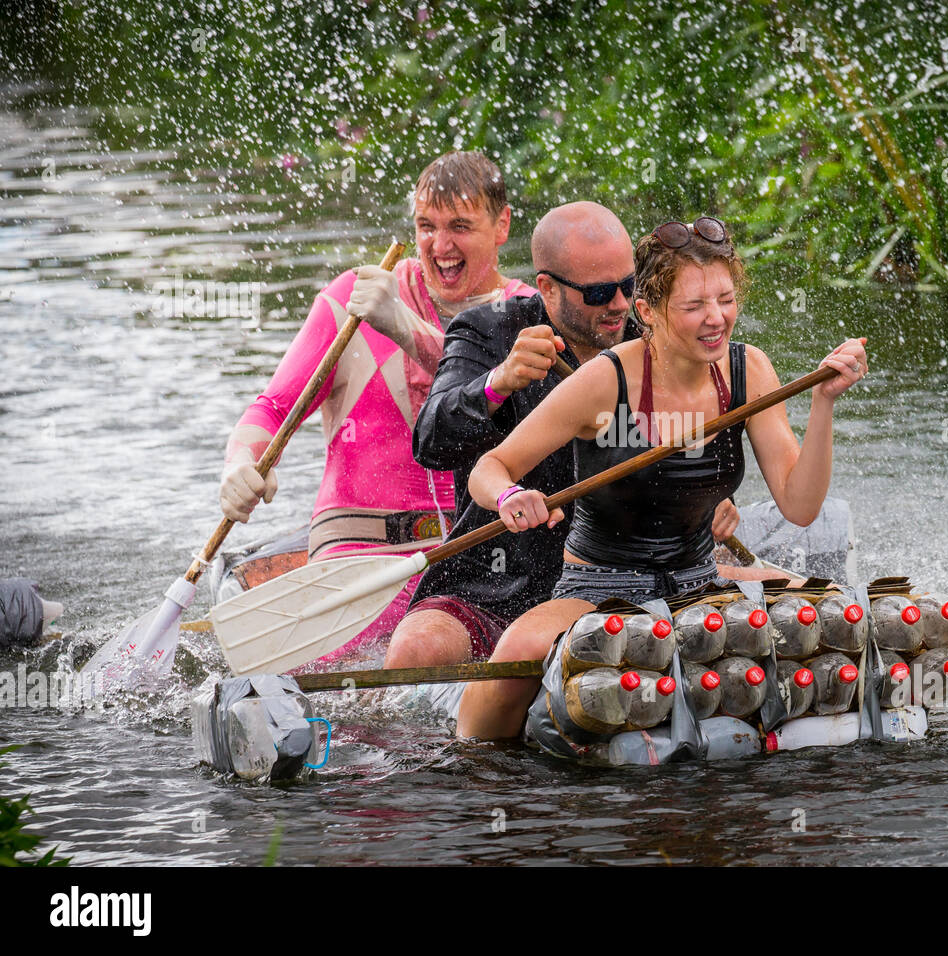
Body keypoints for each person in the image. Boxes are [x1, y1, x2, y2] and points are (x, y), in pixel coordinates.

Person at [457, 216, 868, 739]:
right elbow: (488, 470)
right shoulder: (607, 379)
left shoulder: (749, 371)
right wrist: (513, 496)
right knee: (514, 654)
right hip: (599, 586)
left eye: (725, 299)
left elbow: (800, 506)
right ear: (648, 312)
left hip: (700, 580)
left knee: (839, 614)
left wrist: (823, 403)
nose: (716, 319)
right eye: (695, 306)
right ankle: (468, 765)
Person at [383, 202, 742, 669]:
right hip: (495, 581)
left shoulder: (657, 331)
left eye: (628, 286)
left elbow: (701, 427)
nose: (619, 304)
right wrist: (500, 382)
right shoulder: (487, 330)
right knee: (415, 651)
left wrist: (707, 496)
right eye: (597, 293)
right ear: (547, 289)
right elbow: (431, 441)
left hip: (622, 577)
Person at [217, 151, 536, 662]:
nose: (441, 245)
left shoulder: (526, 315)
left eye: (460, 226)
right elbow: (273, 409)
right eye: (426, 226)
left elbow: (492, 393)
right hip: (355, 554)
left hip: (473, 560)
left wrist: (404, 328)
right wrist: (238, 465)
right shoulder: (354, 298)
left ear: (502, 226)